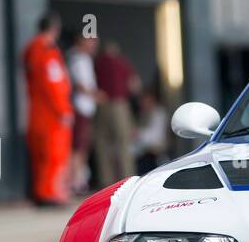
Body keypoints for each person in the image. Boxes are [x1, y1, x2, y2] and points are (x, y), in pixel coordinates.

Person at [21, 12, 72, 205]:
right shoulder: (47, 51)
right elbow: (54, 84)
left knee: (40, 157)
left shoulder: (30, 49)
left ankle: (41, 191)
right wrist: (64, 110)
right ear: (54, 29)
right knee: (53, 155)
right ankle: (49, 193)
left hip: (36, 112)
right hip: (52, 115)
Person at [92, 40, 140, 186]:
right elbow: (135, 85)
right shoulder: (122, 62)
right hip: (120, 104)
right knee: (123, 142)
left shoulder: (97, 63)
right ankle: (126, 179)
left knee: (102, 143)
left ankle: (106, 180)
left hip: (102, 104)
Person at [65, 32, 102, 194]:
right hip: (79, 108)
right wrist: (96, 95)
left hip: (86, 108)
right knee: (78, 148)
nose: (94, 45)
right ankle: (74, 182)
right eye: (91, 41)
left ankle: (79, 180)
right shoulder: (78, 58)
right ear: (81, 41)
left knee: (83, 147)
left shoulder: (84, 58)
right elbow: (80, 85)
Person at [134, 90, 170, 175]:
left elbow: (156, 136)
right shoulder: (142, 114)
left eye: (146, 101)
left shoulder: (159, 113)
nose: (143, 104)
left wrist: (138, 134)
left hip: (157, 156)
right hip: (142, 153)